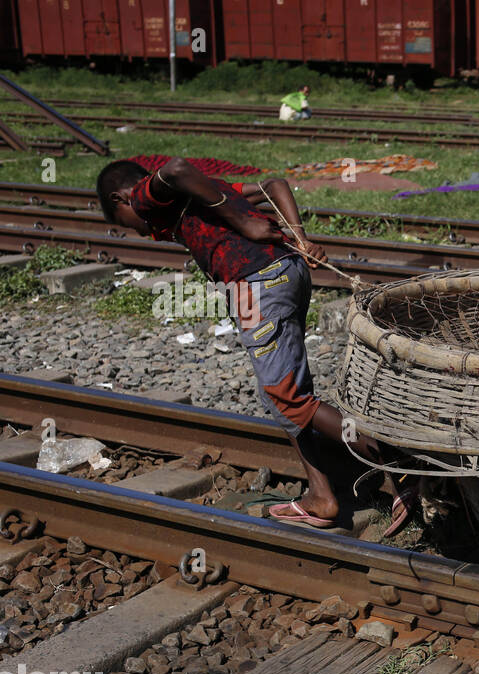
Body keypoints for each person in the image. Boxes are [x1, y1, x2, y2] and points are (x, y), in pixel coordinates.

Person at [95, 157, 416, 535]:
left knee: (286, 397)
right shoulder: (206, 192)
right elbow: (274, 182)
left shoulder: (147, 198)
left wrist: (245, 222)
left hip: (255, 284)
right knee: (286, 396)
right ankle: (321, 496)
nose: (136, 230)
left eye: (124, 224)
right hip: (287, 272)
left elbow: (177, 168)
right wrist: (300, 238)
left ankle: (399, 468)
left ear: (121, 198)